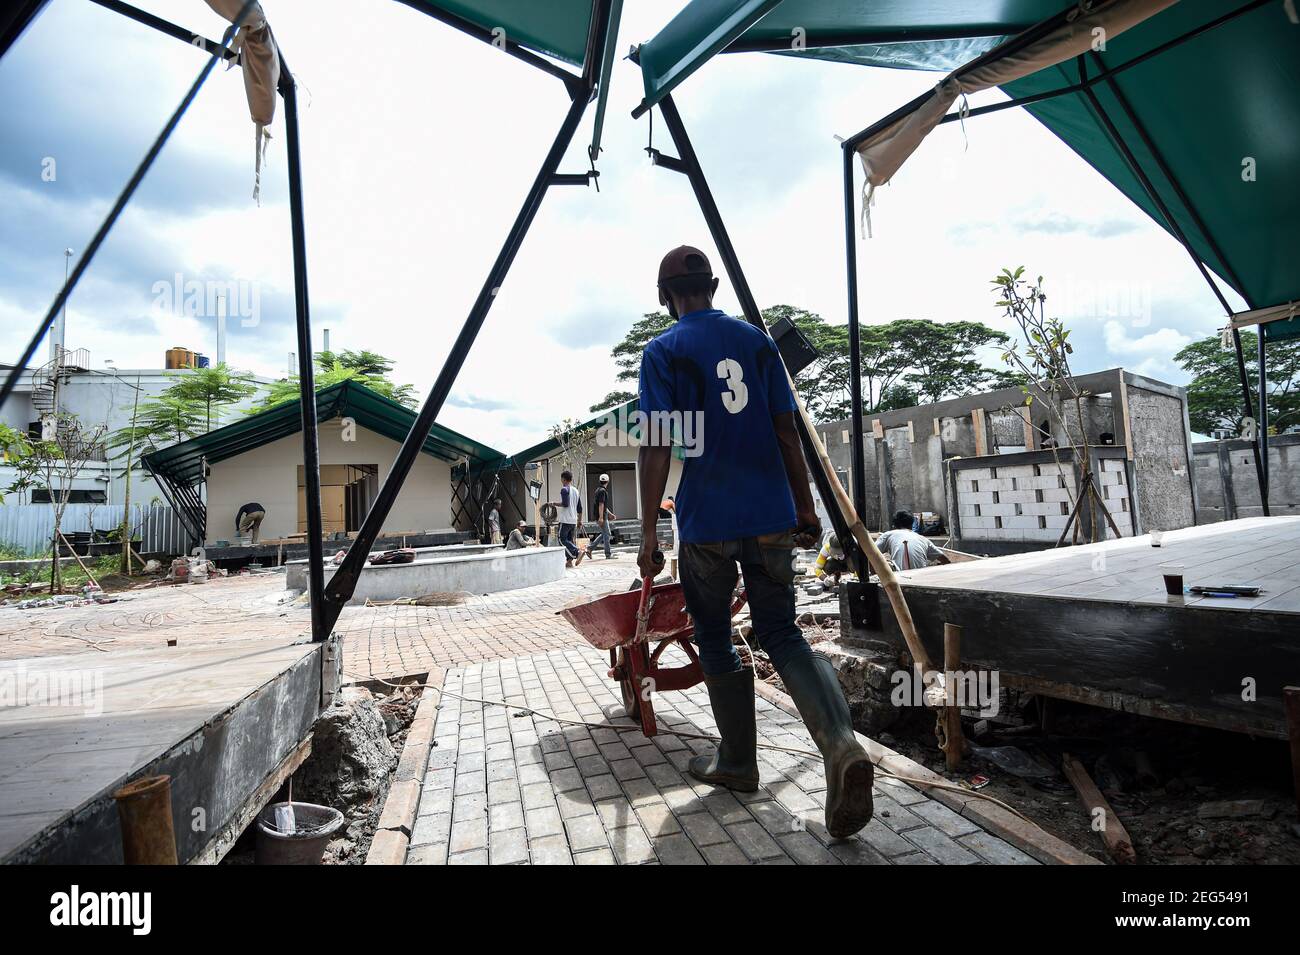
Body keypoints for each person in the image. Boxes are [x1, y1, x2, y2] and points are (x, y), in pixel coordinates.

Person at [636, 245, 874, 839]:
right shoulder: (758, 342)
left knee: (714, 635)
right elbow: (786, 429)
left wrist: (647, 531)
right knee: (782, 632)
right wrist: (803, 506)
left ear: (667, 299)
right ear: (713, 287)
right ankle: (840, 745)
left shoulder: (664, 351)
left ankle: (738, 762)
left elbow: (659, 444)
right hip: (771, 514)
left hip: (707, 523)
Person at [876, 510, 951, 571]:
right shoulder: (923, 539)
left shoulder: (888, 535)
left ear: (894, 526)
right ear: (912, 525)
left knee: (885, 561)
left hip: (901, 578)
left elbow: (870, 553)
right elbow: (946, 560)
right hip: (920, 577)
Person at [549, 470, 584, 567]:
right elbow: (580, 508)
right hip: (573, 520)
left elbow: (565, 504)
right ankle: (569, 562)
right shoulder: (576, 491)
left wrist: (553, 503)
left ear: (563, 479)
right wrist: (579, 521)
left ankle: (578, 552)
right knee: (569, 540)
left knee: (561, 540)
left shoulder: (564, 489)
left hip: (565, 520)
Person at [584, 473, 617, 560]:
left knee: (606, 533)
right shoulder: (603, 491)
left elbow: (603, 505)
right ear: (608, 481)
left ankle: (590, 548)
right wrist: (601, 517)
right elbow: (601, 505)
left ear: (600, 481)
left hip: (601, 514)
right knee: (606, 535)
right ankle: (608, 554)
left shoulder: (598, 490)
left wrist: (610, 514)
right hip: (601, 515)